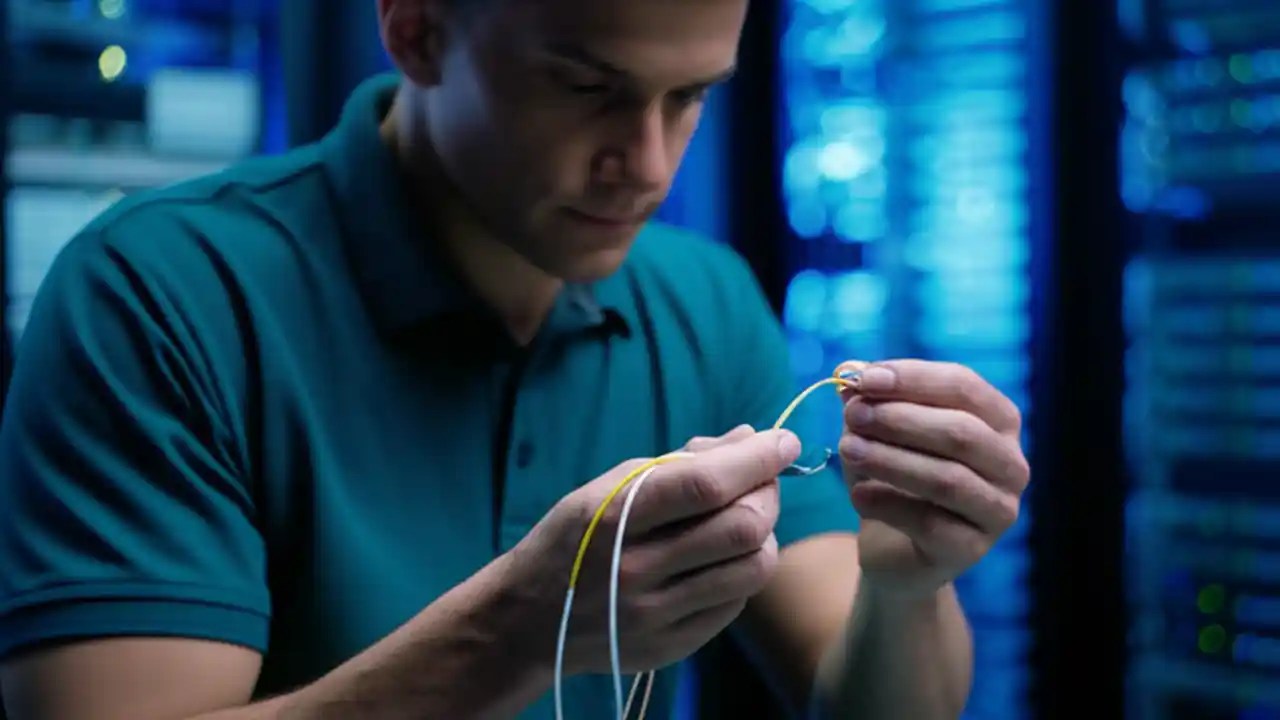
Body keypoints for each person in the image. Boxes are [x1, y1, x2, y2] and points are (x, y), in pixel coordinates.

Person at [0, 0, 1031, 717]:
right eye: (587, 88)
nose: (650, 165)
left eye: (690, 96)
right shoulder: (159, 292)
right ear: (416, 29)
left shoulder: (702, 298)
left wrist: (906, 589)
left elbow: (866, 704)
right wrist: (517, 634)